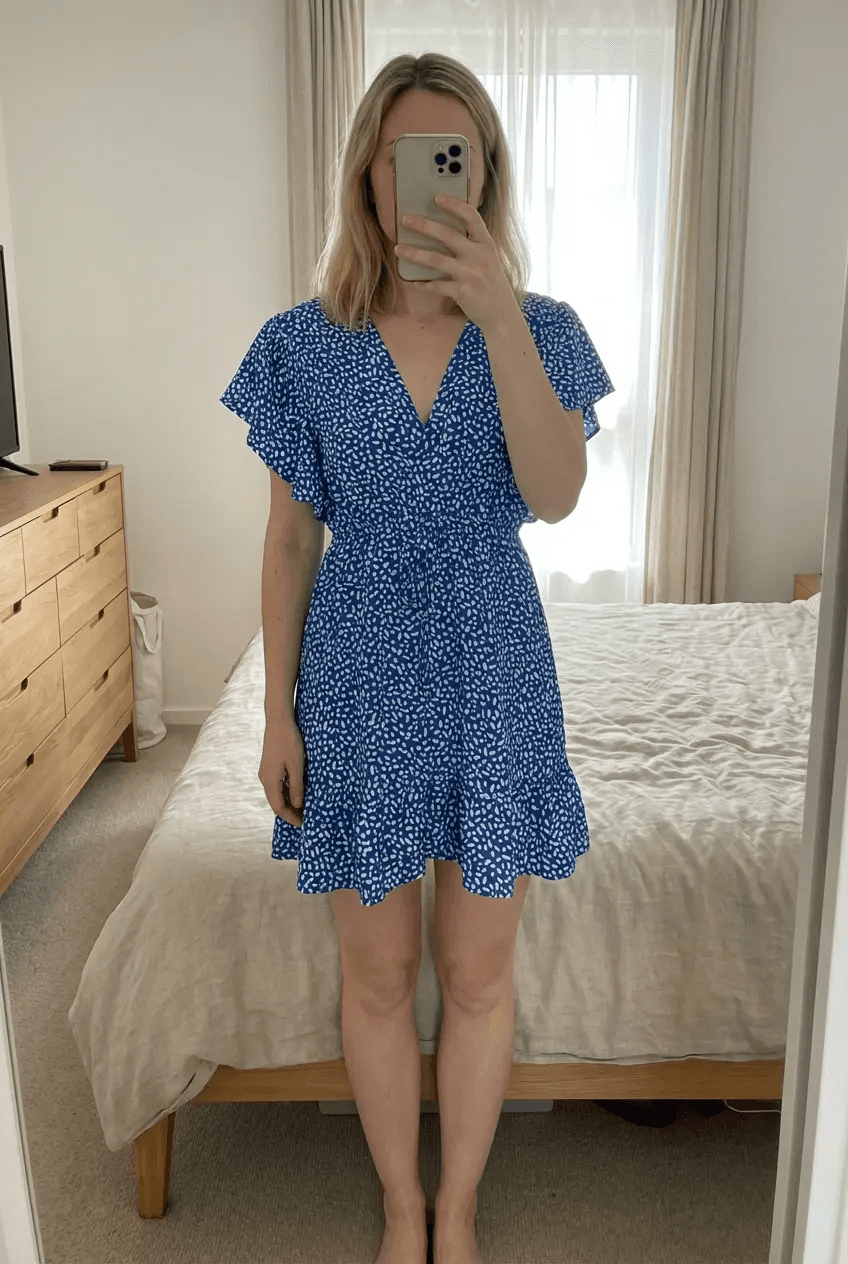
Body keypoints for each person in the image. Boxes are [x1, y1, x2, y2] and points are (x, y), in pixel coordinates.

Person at [220, 51, 614, 1264]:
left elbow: (555, 496)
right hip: (356, 676)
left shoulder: (543, 330)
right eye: (407, 158)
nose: (431, 182)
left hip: (495, 671)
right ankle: (401, 1204)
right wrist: (275, 713)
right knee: (379, 973)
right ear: (369, 176)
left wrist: (497, 319)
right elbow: (290, 540)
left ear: (484, 176)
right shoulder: (300, 344)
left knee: (478, 973)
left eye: (456, 157)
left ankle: (458, 1208)